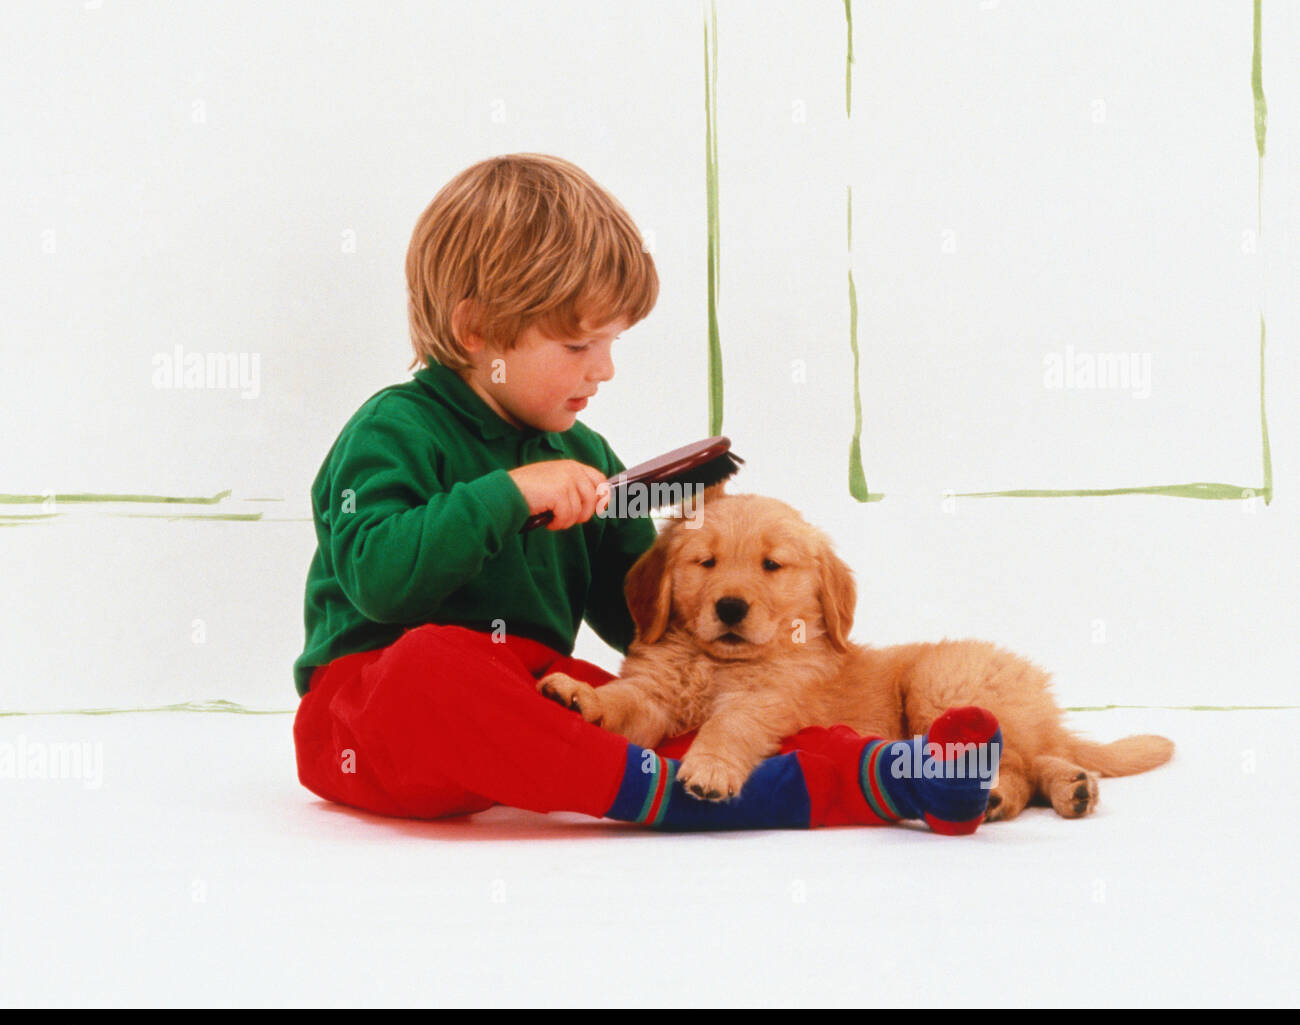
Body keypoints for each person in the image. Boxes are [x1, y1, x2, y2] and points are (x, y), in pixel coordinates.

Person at [291, 153, 1000, 835]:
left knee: (652, 699)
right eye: (577, 347)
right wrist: (508, 494)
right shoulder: (393, 431)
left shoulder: (583, 454)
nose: (604, 370)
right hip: (371, 714)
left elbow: (647, 623)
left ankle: (885, 775)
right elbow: (380, 581)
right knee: (437, 666)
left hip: (524, 695)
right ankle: (662, 795)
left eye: (611, 343)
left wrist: (700, 550)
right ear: (476, 330)